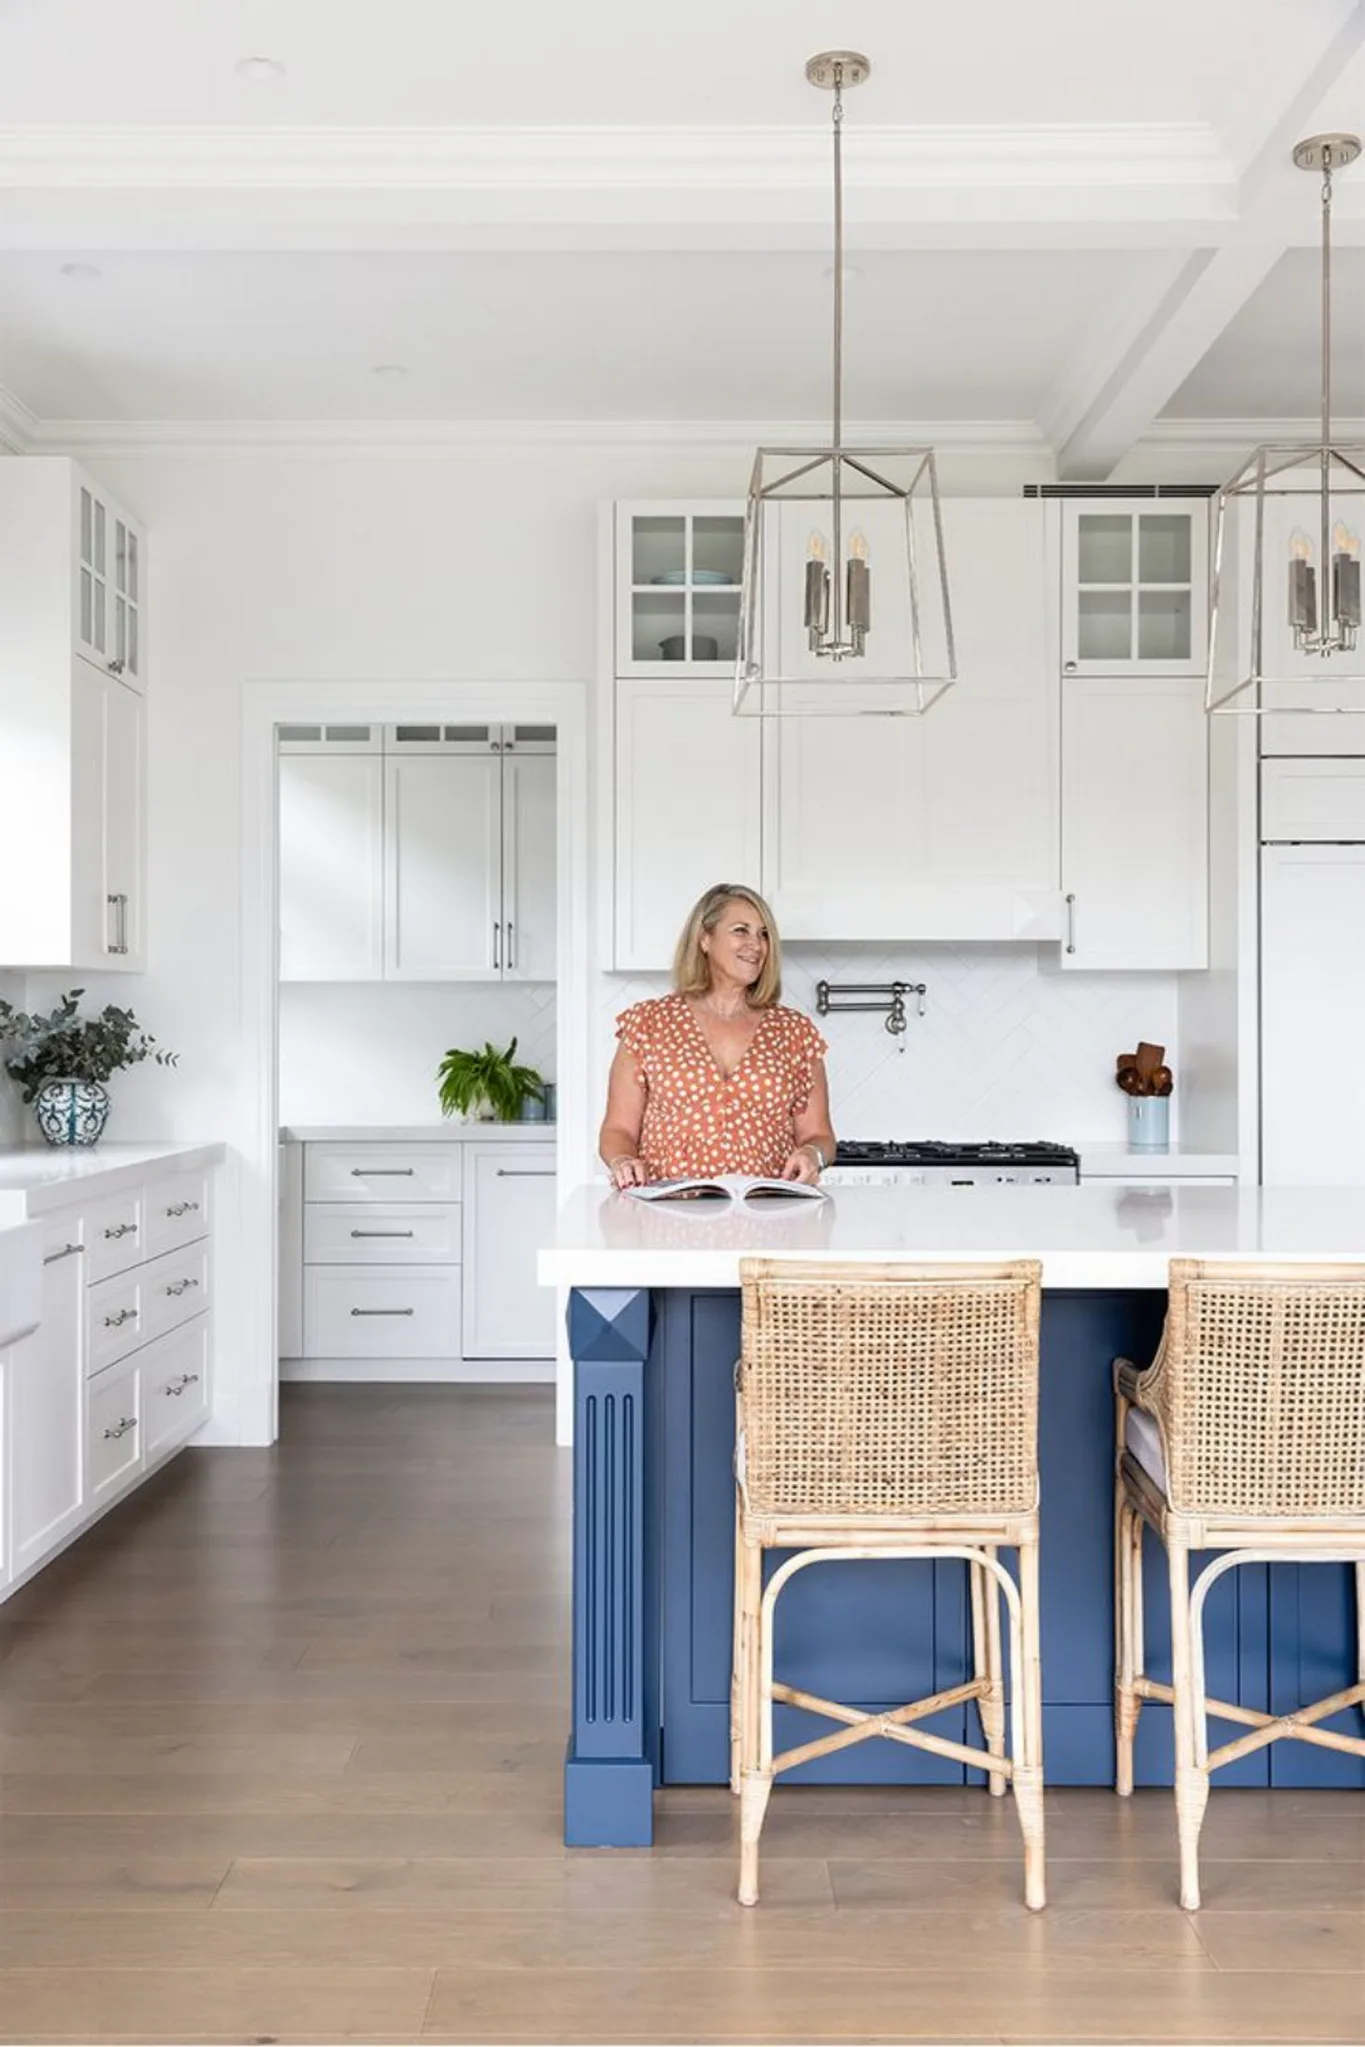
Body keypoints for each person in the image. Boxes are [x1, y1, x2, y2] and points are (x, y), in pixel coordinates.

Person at [599, 882, 836, 1191]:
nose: (757, 944)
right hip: (667, 1217)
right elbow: (618, 1129)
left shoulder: (794, 1033)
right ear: (704, 939)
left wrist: (812, 1154)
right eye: (741, 930)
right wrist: (622, 1160)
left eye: (764, 934)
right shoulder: (648, 1024)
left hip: (767, 1216)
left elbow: (820, 1135)